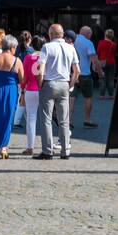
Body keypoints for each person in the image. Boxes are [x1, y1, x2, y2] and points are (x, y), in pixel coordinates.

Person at [34, 23, 79, 160]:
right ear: (62, 34)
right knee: (64, 120)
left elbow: (40, 69)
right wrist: (70, 85)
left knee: (46, 119)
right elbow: (77, 71)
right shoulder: (70, 48)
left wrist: (40, 84)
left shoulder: (47, 47)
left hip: (49, 83)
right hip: (64, 84)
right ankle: (65, 151)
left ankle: (47, 151)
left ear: (50, 34)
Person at [71, 25, 101, 128]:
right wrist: (100, 71)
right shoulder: (88, 43)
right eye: (90, 35)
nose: (91, 37)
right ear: (88, 34)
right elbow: (94, 60)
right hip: (85, 74)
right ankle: (87, 120)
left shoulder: (72, 41)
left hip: (72, 74)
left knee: (71, 98)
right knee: (88, 97)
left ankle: (68, 121)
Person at [20, 36, 44, 155]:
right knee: (47, 119)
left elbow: (24, 78)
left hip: (31, 89)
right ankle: (48, 146)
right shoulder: (46, 57)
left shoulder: (28, 58)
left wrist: (22, 91)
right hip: (44, 90)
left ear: (32, 46)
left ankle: (30, 147)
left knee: (31, 119)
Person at [97, 28, 118, 98]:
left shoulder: (101, 42)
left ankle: (102, 95)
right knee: (111, 78)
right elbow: (114, 53)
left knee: (102, 78)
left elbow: (98, 52)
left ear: (105, 35)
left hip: (102, 62)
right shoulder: (114, 44)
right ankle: (111, 94)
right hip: (112, 62)